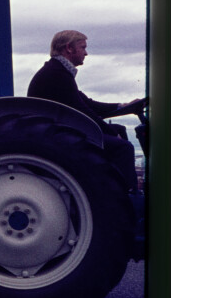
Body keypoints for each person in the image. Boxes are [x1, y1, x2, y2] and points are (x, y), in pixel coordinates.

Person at [27, 30, 141, 185]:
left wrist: (124, 106)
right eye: (83, 47)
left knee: (119, 130)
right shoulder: (57, 74)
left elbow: (88, 103)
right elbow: (83, 111)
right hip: (54, 136)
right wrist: (109, 132)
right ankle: (126, 194)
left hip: (55, 131)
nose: (86, 53)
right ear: (69, 48)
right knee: (123, 147)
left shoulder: (58, 71)